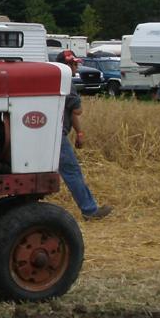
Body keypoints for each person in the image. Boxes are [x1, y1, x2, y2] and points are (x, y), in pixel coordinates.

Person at [57, 50, 112, 221]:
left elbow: (71, 113)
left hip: (50, 134)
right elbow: (77, 110)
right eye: (74, 64)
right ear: (66, 66)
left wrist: (79, 133)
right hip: (56, 136)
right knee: (72, 171)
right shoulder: (66, 83)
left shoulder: (55, 80)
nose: (76, 67)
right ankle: (89, 210)